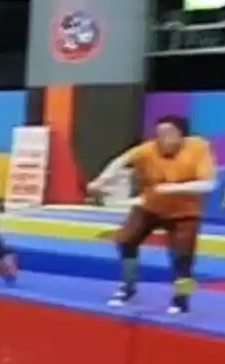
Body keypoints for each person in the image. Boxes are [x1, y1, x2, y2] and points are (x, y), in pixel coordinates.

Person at [86, 115, 217, 314]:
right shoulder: (148, 149)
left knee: (183, 258)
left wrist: (169, 189)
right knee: (126, 240)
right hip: (151, 207)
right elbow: (120, 161)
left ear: (182, 136)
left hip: (185, 213)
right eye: (159, 134)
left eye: (169, 134)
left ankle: (182, 298)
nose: (163, 139)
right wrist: (101, 181)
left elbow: (208, 184)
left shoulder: (199, 148)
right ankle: (128, 286)